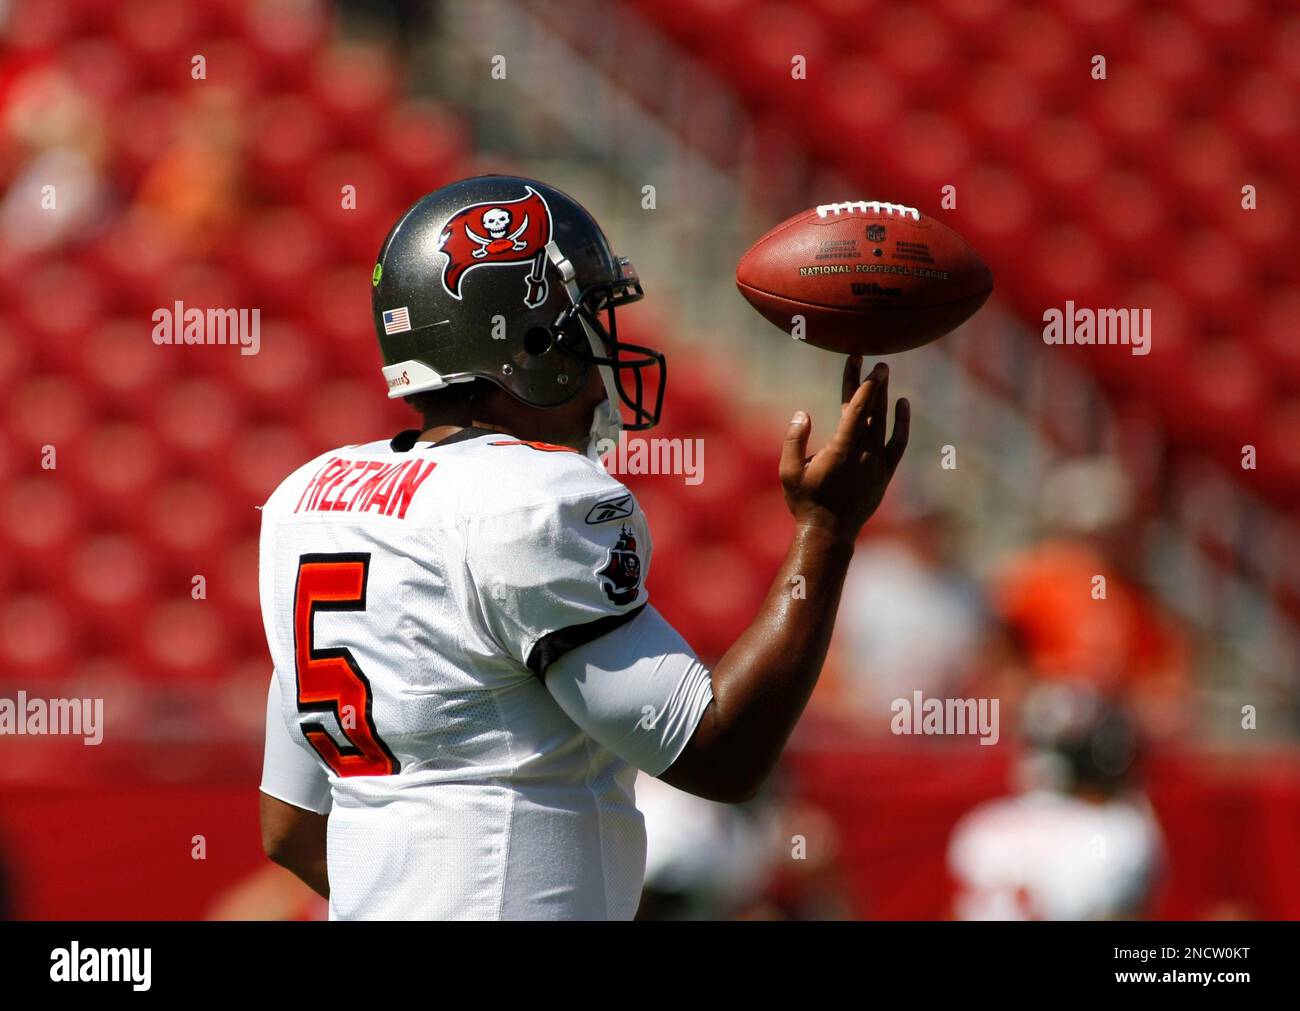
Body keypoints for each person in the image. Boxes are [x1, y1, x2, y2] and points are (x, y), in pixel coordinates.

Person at [256, 175, 909, 920]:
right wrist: (826, 531)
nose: (603, 369)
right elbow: (722, 753)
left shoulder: (308, 500)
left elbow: (291, 826)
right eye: (587, 325)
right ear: (532, 342)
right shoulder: (533, 499)